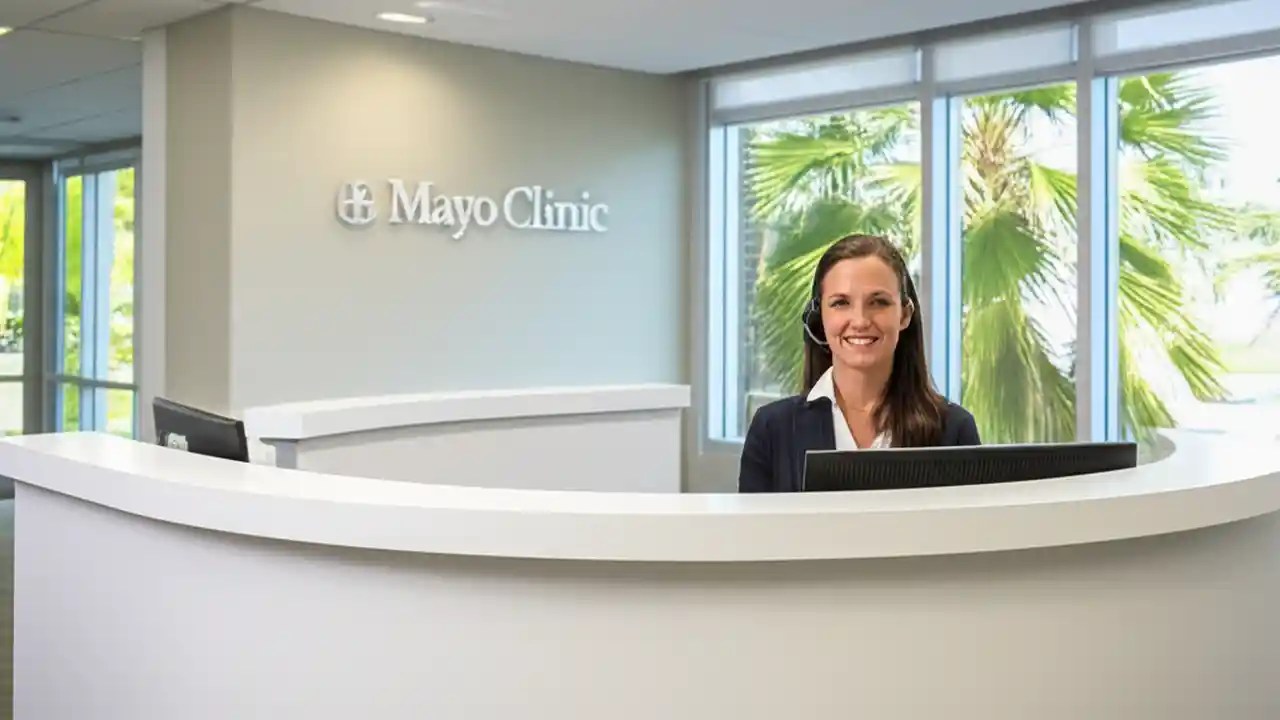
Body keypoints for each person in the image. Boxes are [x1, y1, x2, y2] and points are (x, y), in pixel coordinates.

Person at [738, 234, 981, 493]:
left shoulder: (954, 430)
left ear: (905, 315)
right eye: (841, 303)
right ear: (820, 317)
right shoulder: (772, 429)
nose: (861, 320)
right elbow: (755, 533)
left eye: (879, 302)